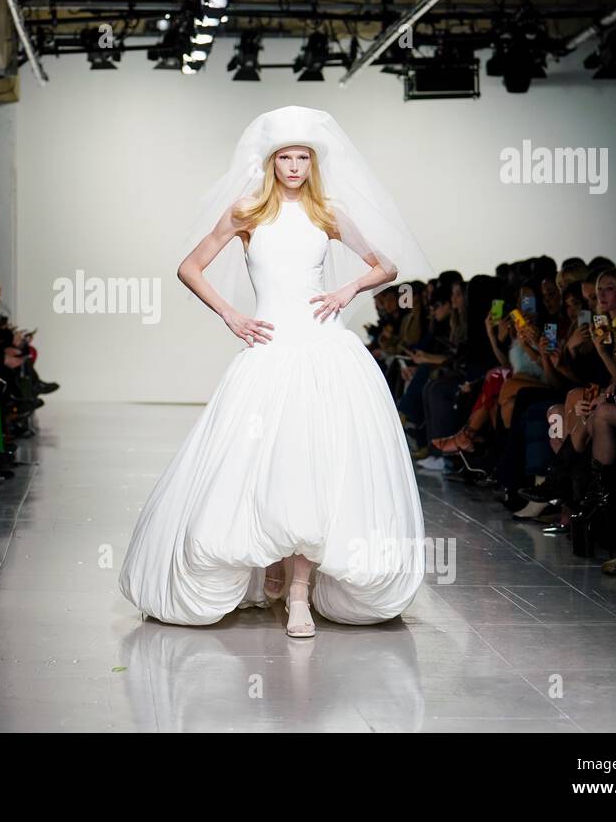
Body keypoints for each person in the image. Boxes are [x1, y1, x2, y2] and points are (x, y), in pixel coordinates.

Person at [118, 106, 433, 638]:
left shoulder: (328, 212)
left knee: (312, 466)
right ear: (270, 161)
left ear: (313, 161)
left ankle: (300, 596)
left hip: (323, 351)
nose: (293, 166)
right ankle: (269, 563)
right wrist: (231, 314)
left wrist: (348, 288)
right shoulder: (247, 213)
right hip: (268, 349)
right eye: (285, 156)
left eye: (302, 157)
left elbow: (387, 265)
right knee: (263, 464)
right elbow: (188, 266)